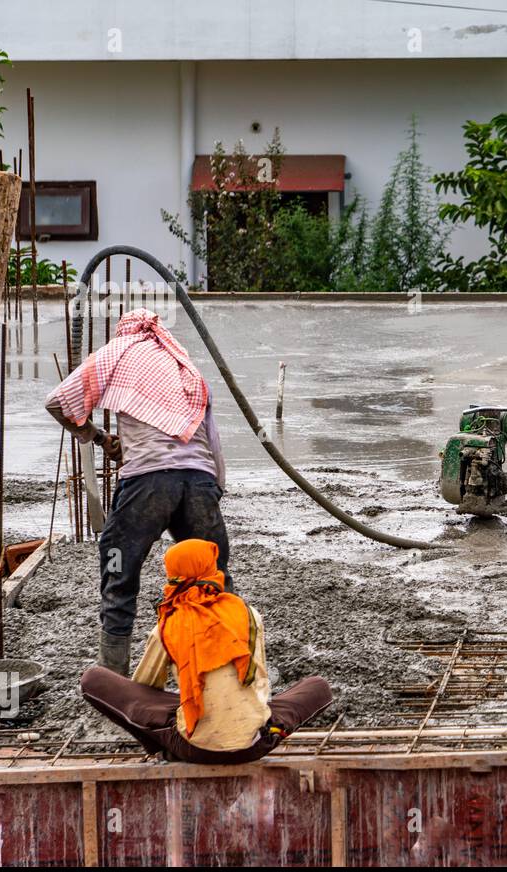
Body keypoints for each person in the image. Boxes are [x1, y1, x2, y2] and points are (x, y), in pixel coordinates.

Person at [46, 307, 230, 676]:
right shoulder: (187, 371)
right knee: (212, 576)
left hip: (147, 484)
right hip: (199, 483)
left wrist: (97, 437)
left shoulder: (119, 356)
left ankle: (113, 673)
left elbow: (58, 403)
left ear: (124, 334)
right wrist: (213, 495)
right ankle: (224, 666)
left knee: (119, 571)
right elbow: (212, 441)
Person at [80, 539, 332, 763]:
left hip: (193, 748)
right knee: (318, 687)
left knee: (93, 679)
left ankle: (160, 749)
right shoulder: (248, 614)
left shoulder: (168, 624)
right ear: (212, 570)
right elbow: (259, 680)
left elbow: (145, 688)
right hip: (257, 743)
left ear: (173, 576)